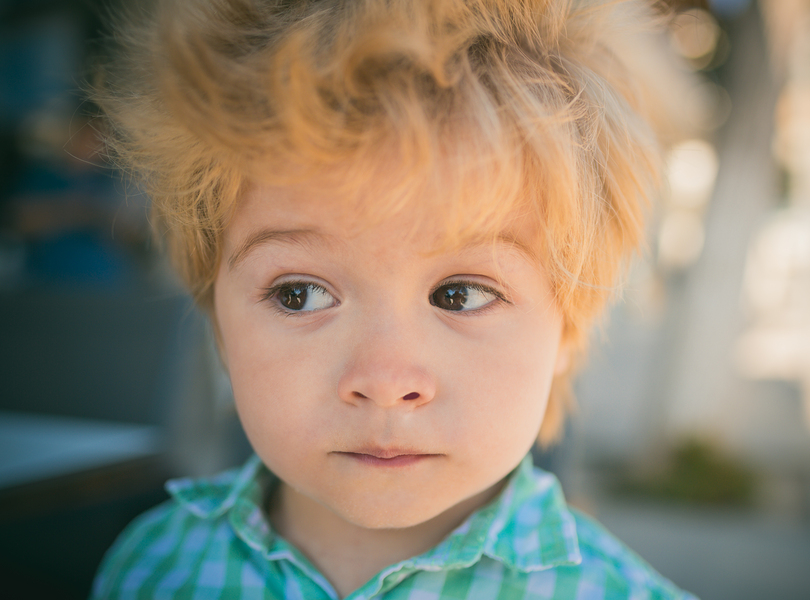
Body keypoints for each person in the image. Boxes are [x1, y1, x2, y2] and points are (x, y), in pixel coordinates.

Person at [90, 0, 698, 598]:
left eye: (460, 296)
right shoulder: (155, 566)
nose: (383, 379)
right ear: (217, 323)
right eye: (299, 295)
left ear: (568, 327)